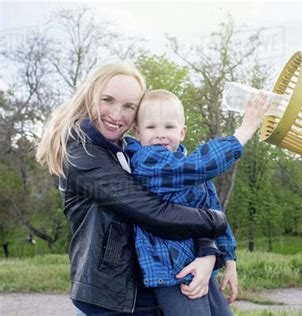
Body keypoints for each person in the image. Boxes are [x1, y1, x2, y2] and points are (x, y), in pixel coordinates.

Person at [36, 63, 228, 315]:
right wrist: (217, 220)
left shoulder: (132, 151)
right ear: (90, 95)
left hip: (151, 288)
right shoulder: (82, 153)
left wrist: (208, 251)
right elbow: (154, 212)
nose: (117, 115)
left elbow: (184, 198)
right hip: (111, 300)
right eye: (108, 100)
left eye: (129, 107)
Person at [124, 90, 269, 316]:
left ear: (182, 132)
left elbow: (214, 214)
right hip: (173, 272)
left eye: (169, 127)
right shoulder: (148, 162)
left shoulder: (188, 167)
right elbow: (199, 165)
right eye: (151, 127)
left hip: (201, 263)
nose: (160, 134)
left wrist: (229, 259)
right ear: (137, 132)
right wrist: (246, 128)